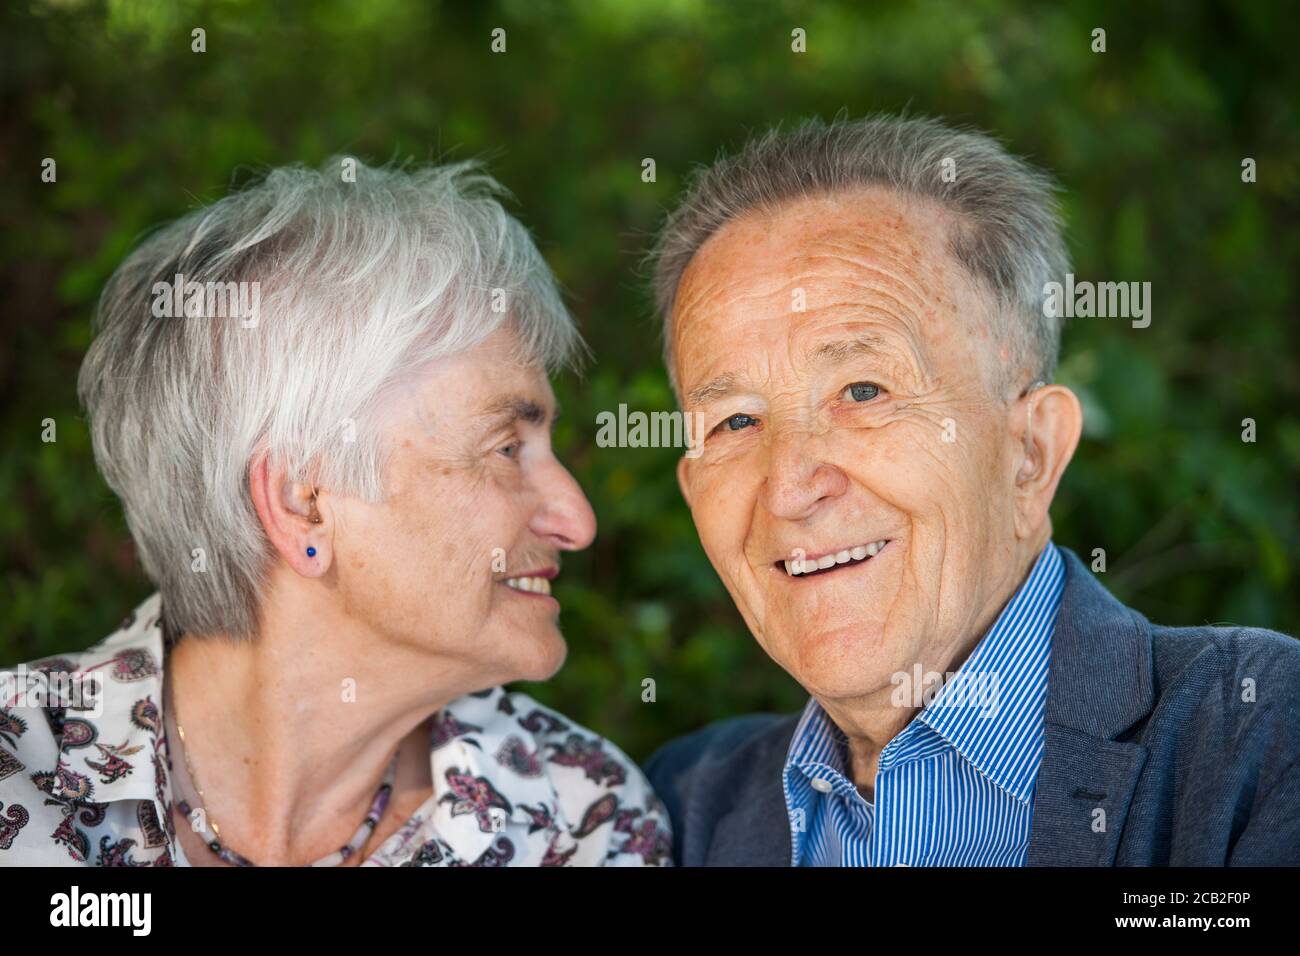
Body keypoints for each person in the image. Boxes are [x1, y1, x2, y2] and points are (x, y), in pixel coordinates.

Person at [643, 114, 1300, 866]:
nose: (789, 487)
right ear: (693, 489)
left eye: (863, 389)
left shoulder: (1263, 739)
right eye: (734, 421)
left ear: (1031, 452)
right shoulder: (678, 808)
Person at [0, 159, 670, 867]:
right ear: (302, 505)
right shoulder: (22, 772)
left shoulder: (579, 822)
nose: (577, 518)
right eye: (506, 448)